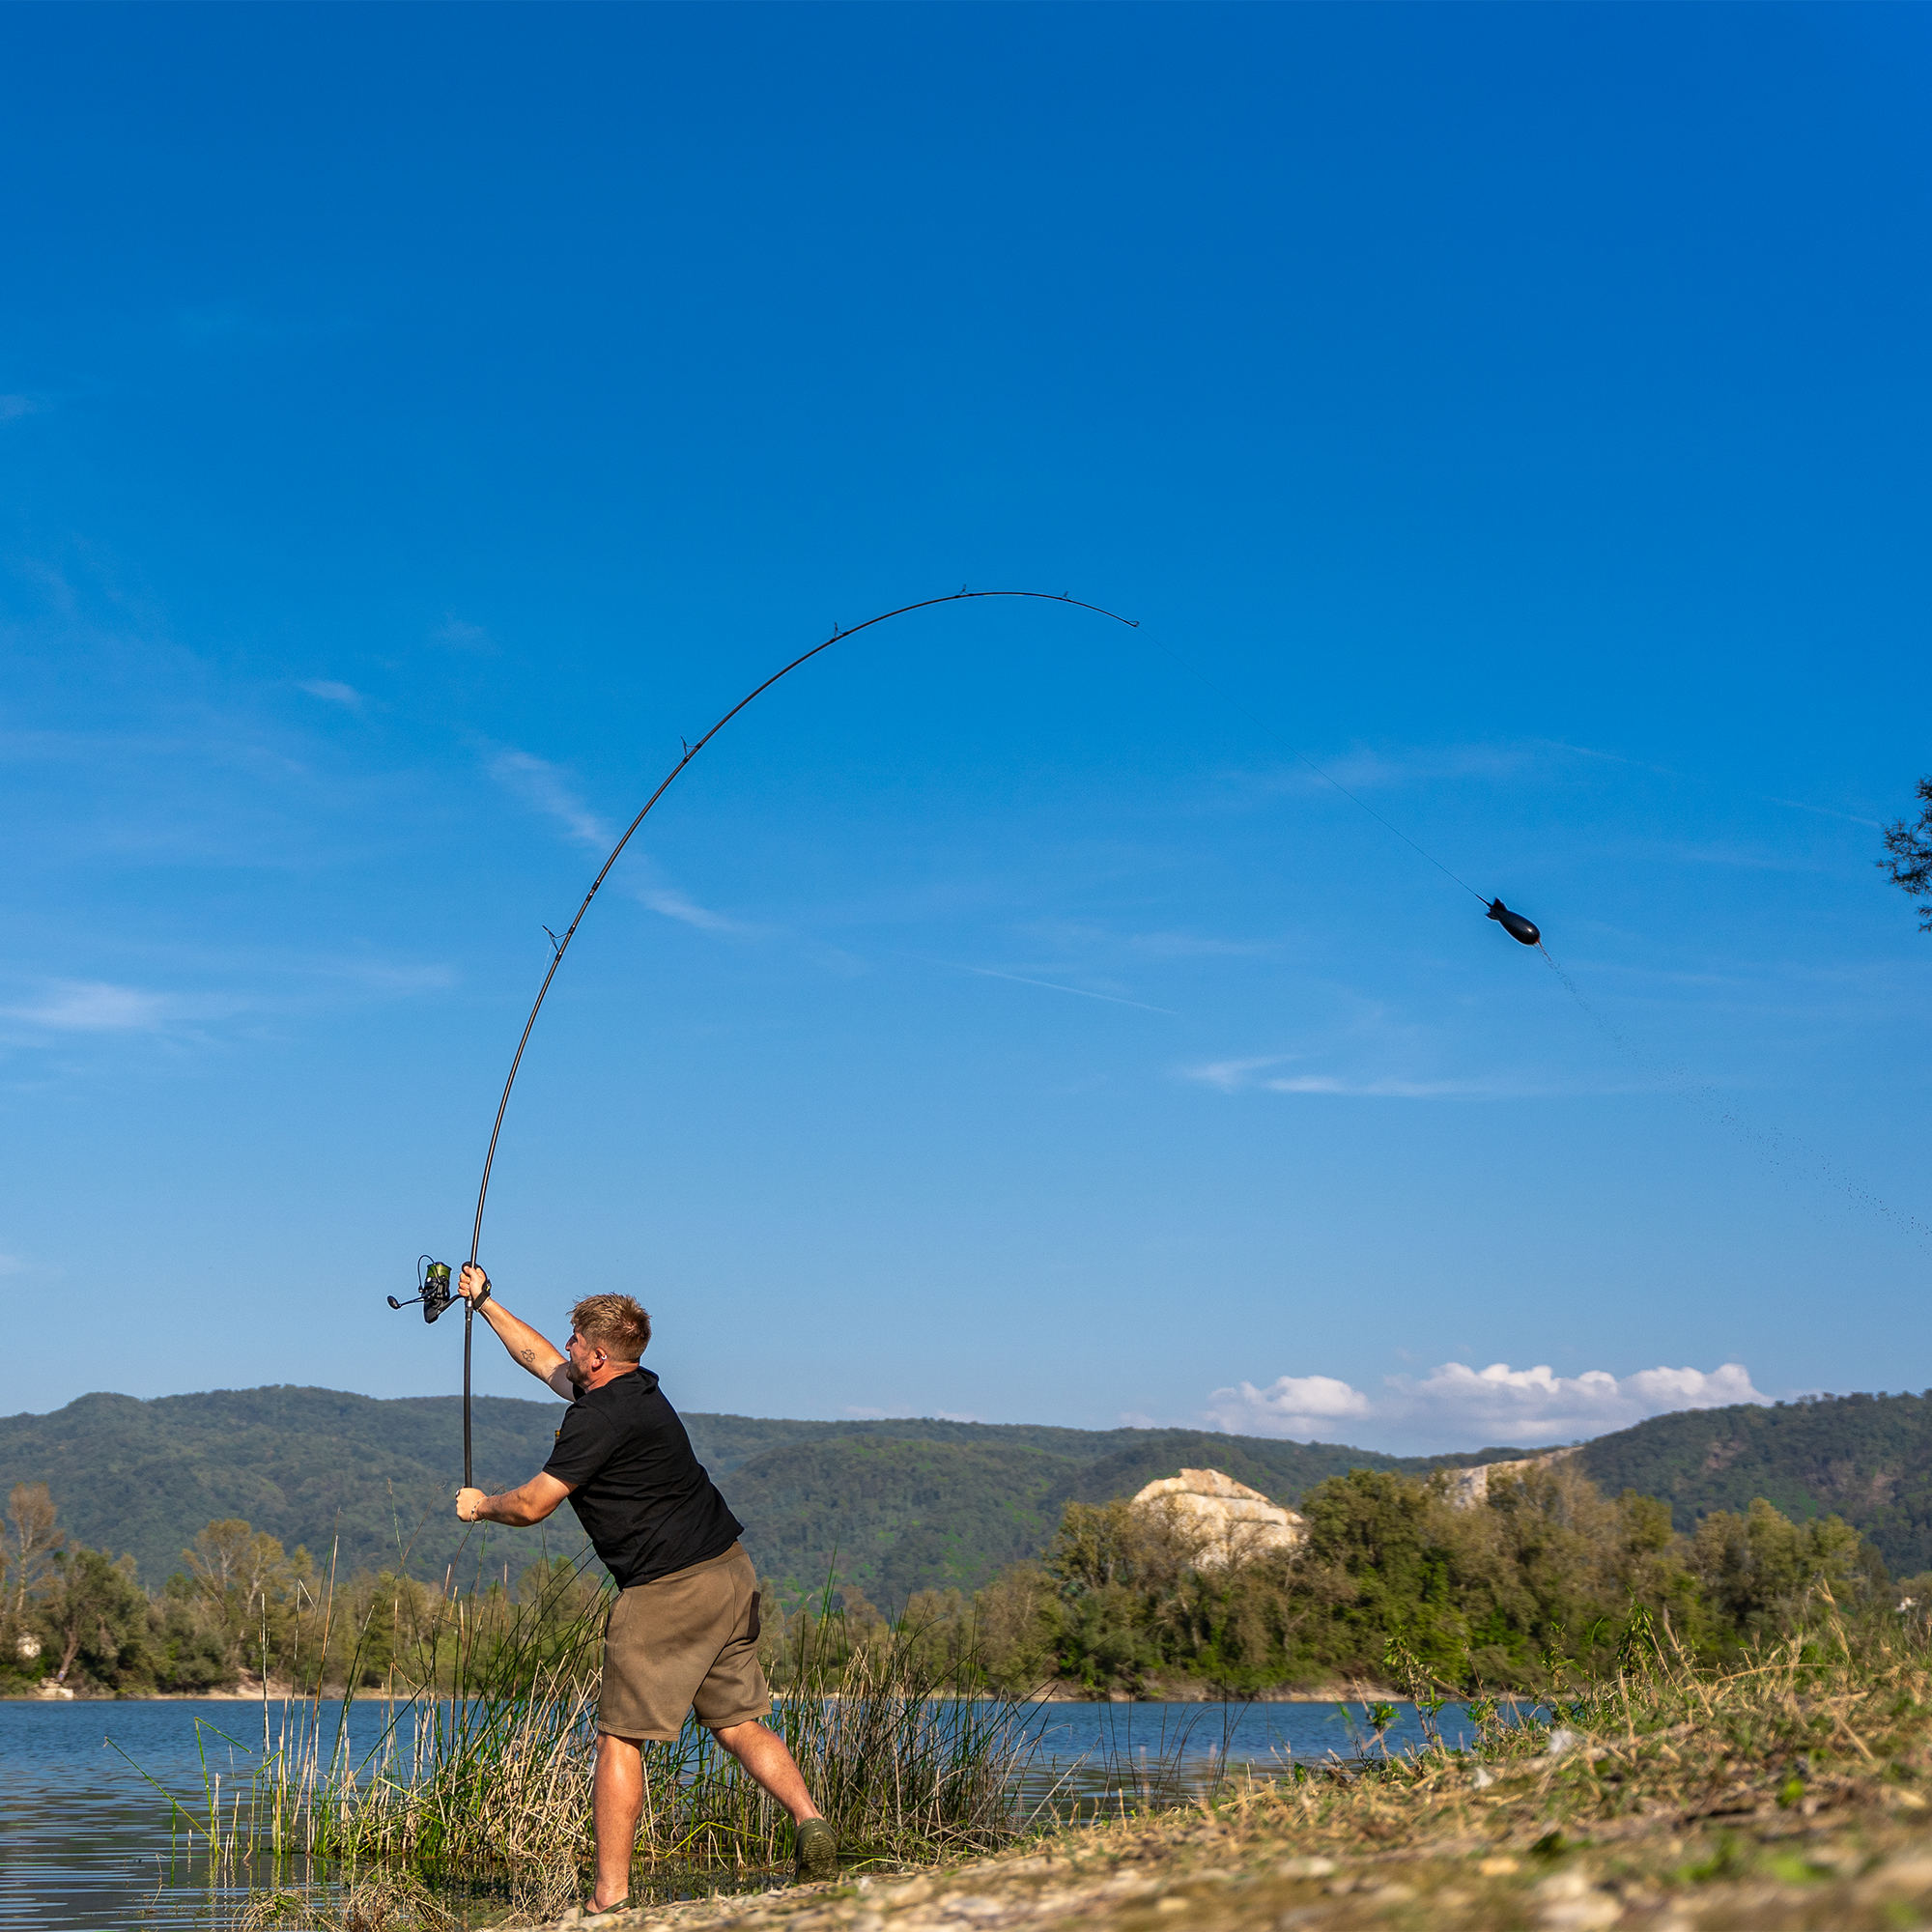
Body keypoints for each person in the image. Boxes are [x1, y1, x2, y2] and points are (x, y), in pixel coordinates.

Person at [451, 1264, 836, 1912]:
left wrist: (481, 1505)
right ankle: (809, 1821)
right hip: (729, 1571)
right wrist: (486, 1303)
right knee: (739, 1721)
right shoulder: (640, 1389)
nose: (567, 1348)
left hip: (666, 1590)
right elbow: (541, 1359)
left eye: (577, 1341)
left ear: (599, 1355)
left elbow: (535, 1505)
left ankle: (610, 1899)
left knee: (618, 1739)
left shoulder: (596, 1422)